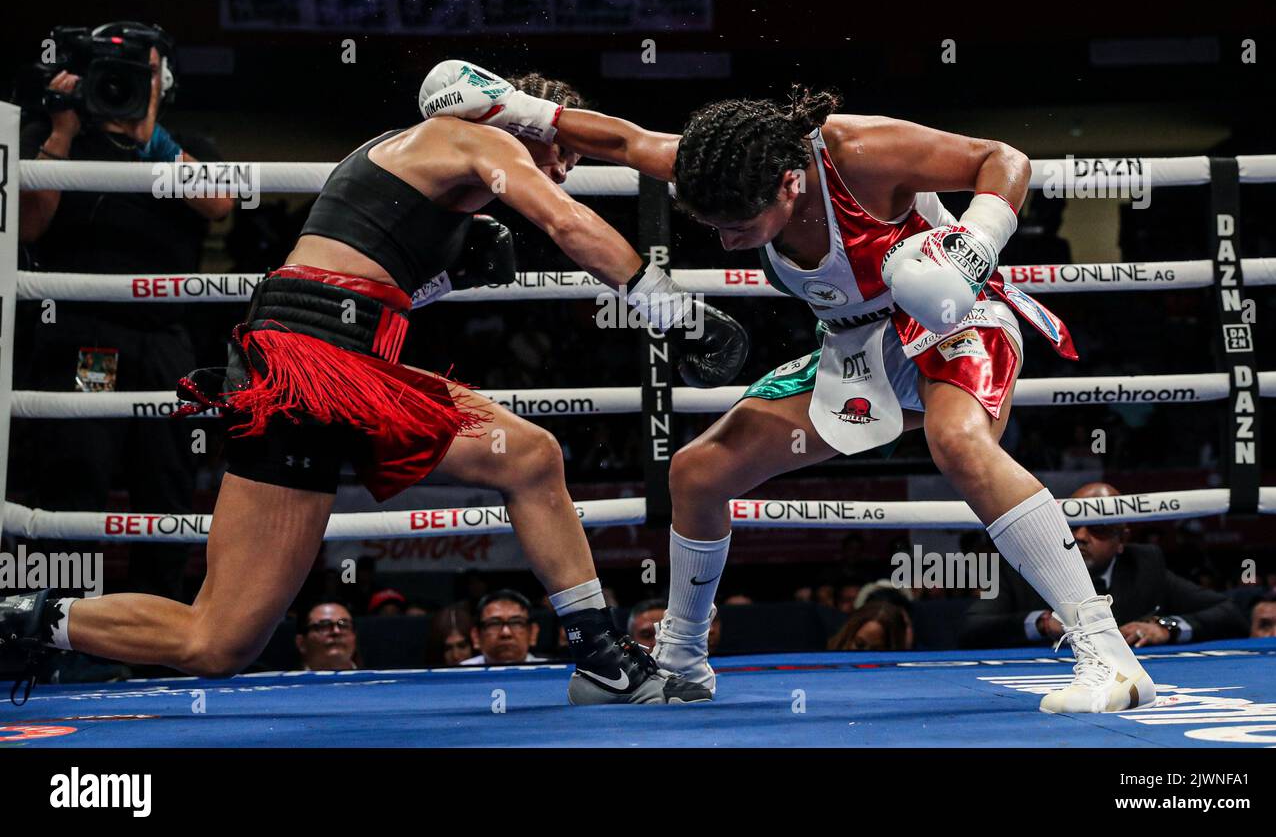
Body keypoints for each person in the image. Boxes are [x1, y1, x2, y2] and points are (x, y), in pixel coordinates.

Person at [1, 69, 750, 707]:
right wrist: (674, 308)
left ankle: (29, 617)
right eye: (564, 155)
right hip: (314, 365)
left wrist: (442, 276)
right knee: (220, 637)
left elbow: (356, 277)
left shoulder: (403, 155)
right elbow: (565, 222)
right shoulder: (481, 138)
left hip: (327, 357)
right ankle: (602, 658)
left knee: (220, 637)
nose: (560, 173)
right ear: (535, 126)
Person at [422, 62, 1154, 713]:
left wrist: (971, 247)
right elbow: (615, 139)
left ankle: (1106, 653)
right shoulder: (710, 162)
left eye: (741, 225)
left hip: (955, 314)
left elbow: (1003, 158)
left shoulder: (860, 153)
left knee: (956, 440)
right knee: (699, 471)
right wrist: (510, 105)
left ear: (788, 182)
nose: (730, 242)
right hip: (854, 347)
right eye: (712, 226)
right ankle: (681, 661)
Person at [17, 21, 231, 602]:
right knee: (76, 476)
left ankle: (157, 625)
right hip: (86, 340)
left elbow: (219, 202)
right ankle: (59, 625)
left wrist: (149, 136)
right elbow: (29, 225)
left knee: (166, 481)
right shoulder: (48, 135)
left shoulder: (186, 147)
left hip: (164, 340)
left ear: (162, 84)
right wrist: (61, 129)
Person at [961, 483, 1248, 648]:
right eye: (1072, 525)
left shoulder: (1144, 566)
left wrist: (1166, 627)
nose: (1080, 536)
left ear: (1121, 539)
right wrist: (1042, 623)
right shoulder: (1024, 562)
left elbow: (1228, 613)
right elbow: (970, 629)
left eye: (1098, 528)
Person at [459, 591, 548, 666]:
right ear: (476, 636)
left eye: (516, 623)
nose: (506, 633)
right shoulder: (457, 677)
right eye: (494, 624)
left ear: (533, 633)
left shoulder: (553, 674)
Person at [296, 602, 358, 671]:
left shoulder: (371, 679)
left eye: (344, 624)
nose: (336, 631)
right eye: (324, 625)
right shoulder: (287, 681)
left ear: (355, 636)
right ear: (301, 643)